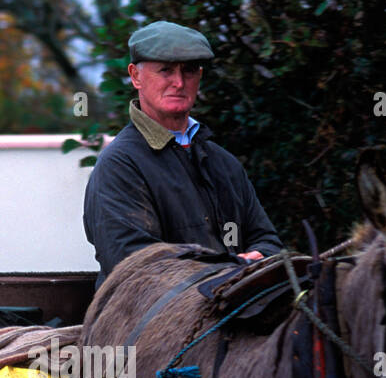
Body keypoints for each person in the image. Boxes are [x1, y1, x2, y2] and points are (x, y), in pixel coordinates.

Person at [83, 20, 283, 288]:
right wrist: (232, 270)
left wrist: (261, 257)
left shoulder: (224, 163)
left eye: (189, 70)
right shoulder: (119, 165)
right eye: (165, 70)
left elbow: (268, 241)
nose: (179, 82)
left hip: (228, 315)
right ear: (135, 76)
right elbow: (133, 266)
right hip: (146, 323)